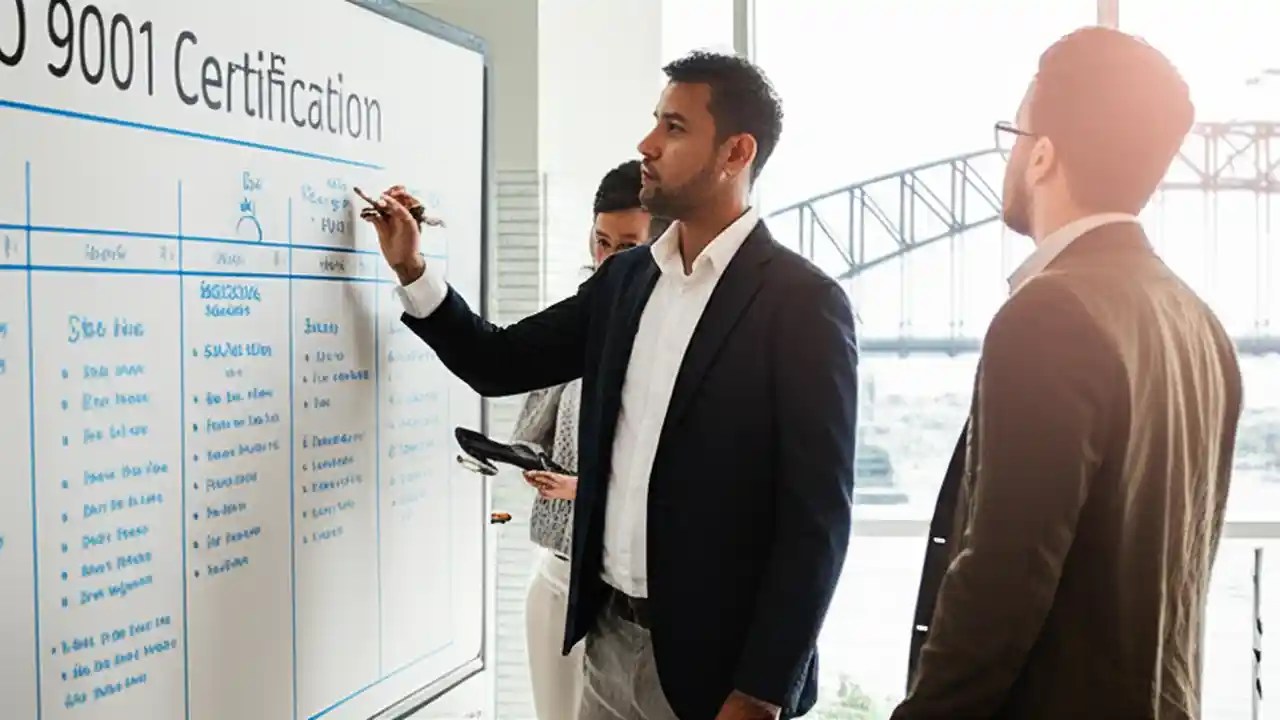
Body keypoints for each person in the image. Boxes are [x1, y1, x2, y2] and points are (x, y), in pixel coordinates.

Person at [363, 50, 858, 720]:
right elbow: (498, 361)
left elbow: (815, 522)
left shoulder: (802, 303)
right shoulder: (626, 283)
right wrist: (413, 268)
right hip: (605, 648)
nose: (646, 145)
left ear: (736, 152)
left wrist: (761, 692)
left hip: (717, 680)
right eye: (656, 122)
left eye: (675, 128)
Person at [894, 26, 1242, 720]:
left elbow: (1002, 580)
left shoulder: (1049, 315)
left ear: (1043, 155)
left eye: (1014, 134)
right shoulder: (1199, 324)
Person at [508, 159, 662, 720]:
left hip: (621, 595)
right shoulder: (584, 318)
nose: (608, 260)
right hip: (555, 571)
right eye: (600, 242)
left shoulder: (672, 344)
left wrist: (585, 487)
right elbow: (530, 428)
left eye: (627, 246)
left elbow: (675, 481)